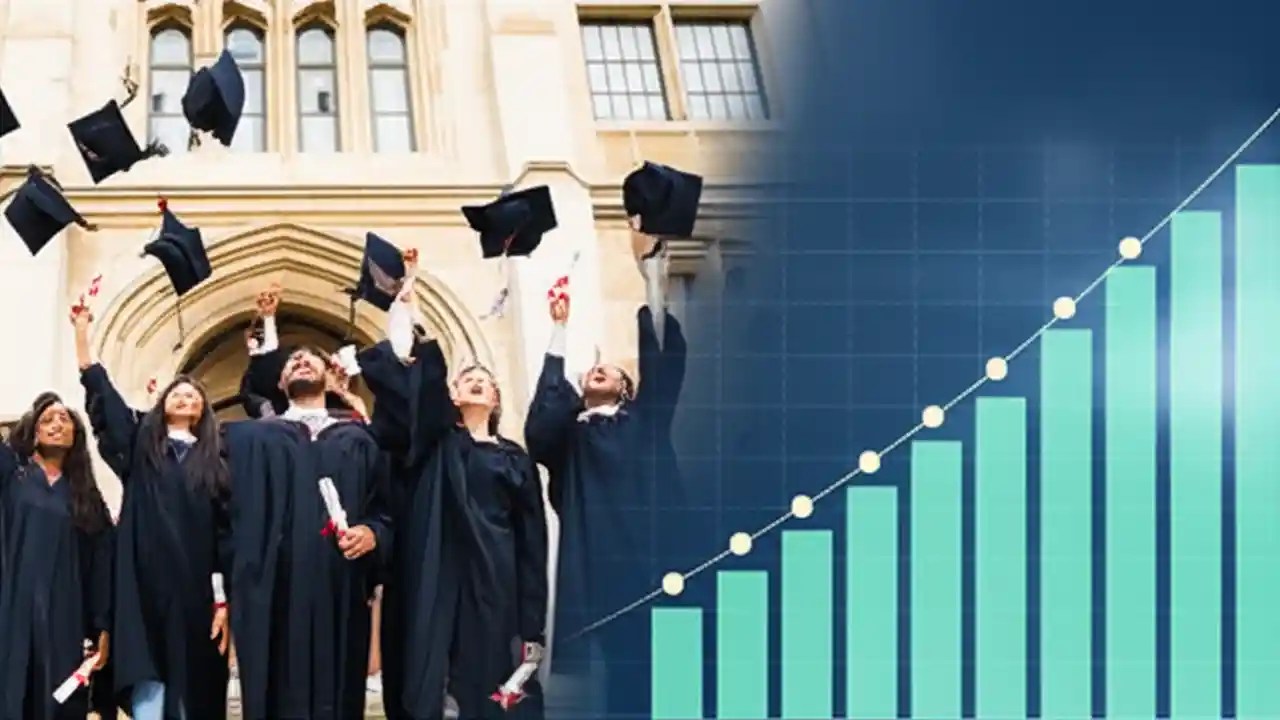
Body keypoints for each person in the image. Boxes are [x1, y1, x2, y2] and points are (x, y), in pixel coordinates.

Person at [357, 266, 549, 720]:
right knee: (433, 681)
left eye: (486, 380)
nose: (477, 380)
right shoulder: (434, 443)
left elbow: (531, 541)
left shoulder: (514, 458)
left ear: (497, 399)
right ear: (452, 395)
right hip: (436, 576)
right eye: (467, 378)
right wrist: (406, 314)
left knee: (491, 686)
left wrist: (532, 619)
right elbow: (411, 397)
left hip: (495, 579)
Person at [524, 226, 686, 719]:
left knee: (654, 663)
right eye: (593, 370)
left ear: (627, 390)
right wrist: (559, 331)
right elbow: (540, 430)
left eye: (613, 371)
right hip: (593, 560)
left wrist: (652, 277)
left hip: (648, 551)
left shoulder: (645, 423)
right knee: (605, 671)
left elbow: (663, 368)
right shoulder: (570, 438)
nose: (601, 370)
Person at [221, 321, 392, 720]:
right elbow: (221, 511)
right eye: (292, 361)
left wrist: (372, 534)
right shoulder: (250, 440)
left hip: (338, 586)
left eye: (309, 359)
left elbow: (385, 509)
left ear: (329, 377)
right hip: (271, 589)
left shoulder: (360, 440)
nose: (300, 361)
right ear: (279, 383)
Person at [72, 305, 232, 720]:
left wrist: (222, 599)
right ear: (163, 404)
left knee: (194, 680)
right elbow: (107, 408)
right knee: (148, 676)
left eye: (193, 395)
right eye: (177, 393)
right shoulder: (143, 446)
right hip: (142, 581)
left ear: (203, 411)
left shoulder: (216, 459)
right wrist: (84, 343)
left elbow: (224, 531)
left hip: (195, 586)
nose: (185, 397)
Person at [0, 391, 114, 719]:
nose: (56, 425)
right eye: (47, 419)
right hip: (12, 609)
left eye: (64, 420)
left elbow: (101, 565)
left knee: (58, 702)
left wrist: (101, 626)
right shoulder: (12, 477)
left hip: (65, 615)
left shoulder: (86, 497)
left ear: (76, 435)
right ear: (32, 430)